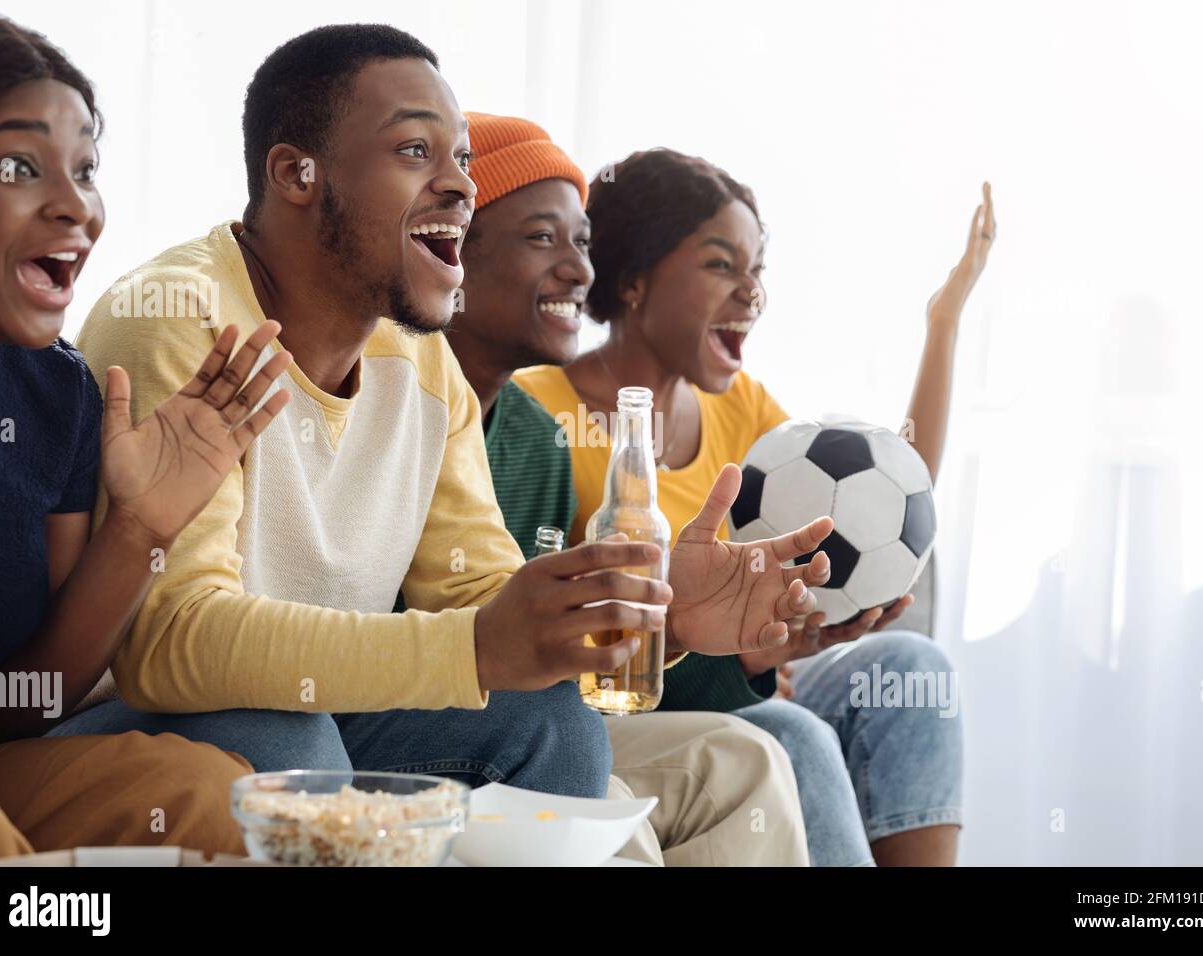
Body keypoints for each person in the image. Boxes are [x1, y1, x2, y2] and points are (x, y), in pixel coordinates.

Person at [61, 25, 829, 815]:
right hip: (126, 725)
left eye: (460, 157)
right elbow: (169, 644)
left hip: (312, 710)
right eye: (415, 152)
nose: (461, 186)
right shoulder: (181, 316)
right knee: (290, 743)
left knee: (554, 725)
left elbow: (480, 591)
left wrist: (647, 617)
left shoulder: (421, 359)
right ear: (296, 172)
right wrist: (474, 644)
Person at [519, 147, 994, 865]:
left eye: (757, 271)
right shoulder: (539, 413)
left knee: (911, 669)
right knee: (788, 732)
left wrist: (943, 324)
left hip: (753, 676)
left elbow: (889, 496)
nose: (752, 294)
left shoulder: (740, 410)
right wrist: (736, 660)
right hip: (644, 695)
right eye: (720, 265)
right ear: (635, 279)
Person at [440, 112, 816, 865]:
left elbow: (552, 659)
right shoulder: (436, 402)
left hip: (531, 715)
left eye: (581, 243)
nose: (581, 270)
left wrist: (687, 632)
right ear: (453, 251)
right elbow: (509, 659)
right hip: (446, 724)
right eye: (543, 238)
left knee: (748, 757)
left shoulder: (533, 441)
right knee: (599, 789)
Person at [0, 12, 292, 861]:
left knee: (219, 801)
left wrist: (142, 530)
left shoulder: (54, 392)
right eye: (20, 166)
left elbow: (21, 706)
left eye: (86, 170)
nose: (76, 207)